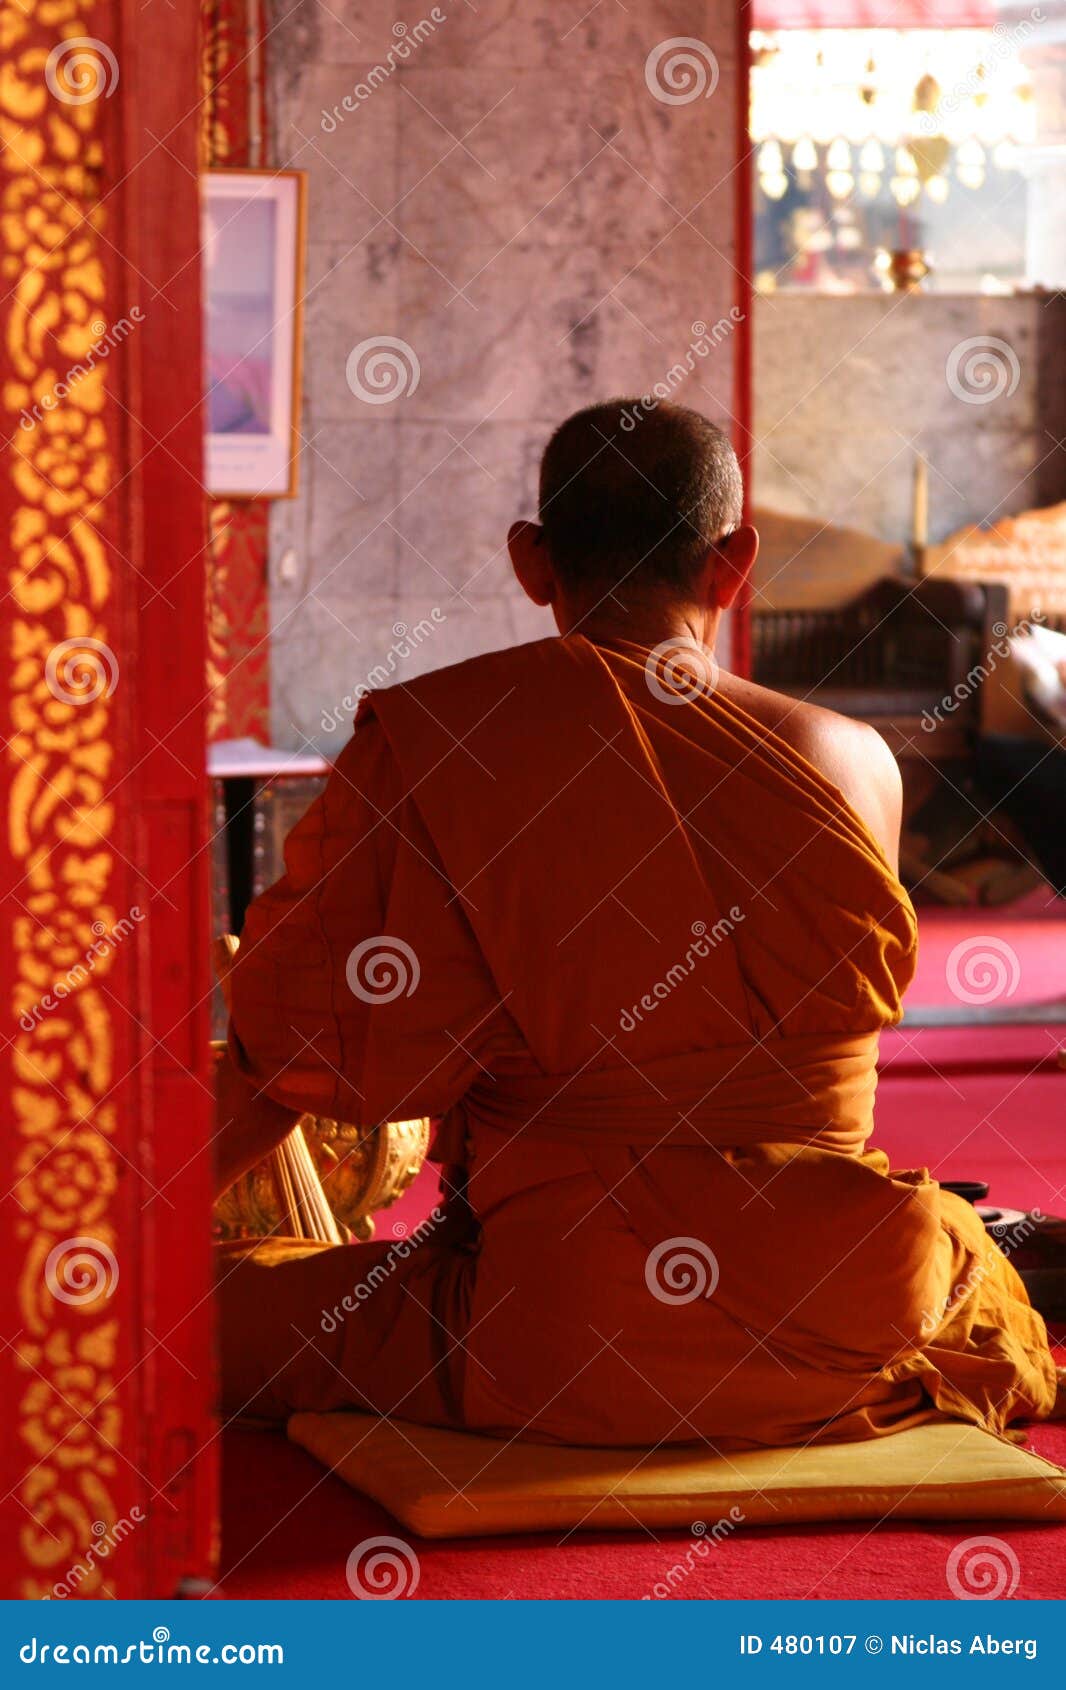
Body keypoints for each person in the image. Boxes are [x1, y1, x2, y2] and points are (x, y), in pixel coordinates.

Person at [216, 400, 1059, 1447]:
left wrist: (105, 1226)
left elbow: (292, 1054)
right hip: (848, 1311)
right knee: (951, 1264)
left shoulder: (445, 745)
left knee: (205, 1314)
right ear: (735, 561)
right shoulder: (856, 762)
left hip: (562, 1334)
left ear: (532, 560)